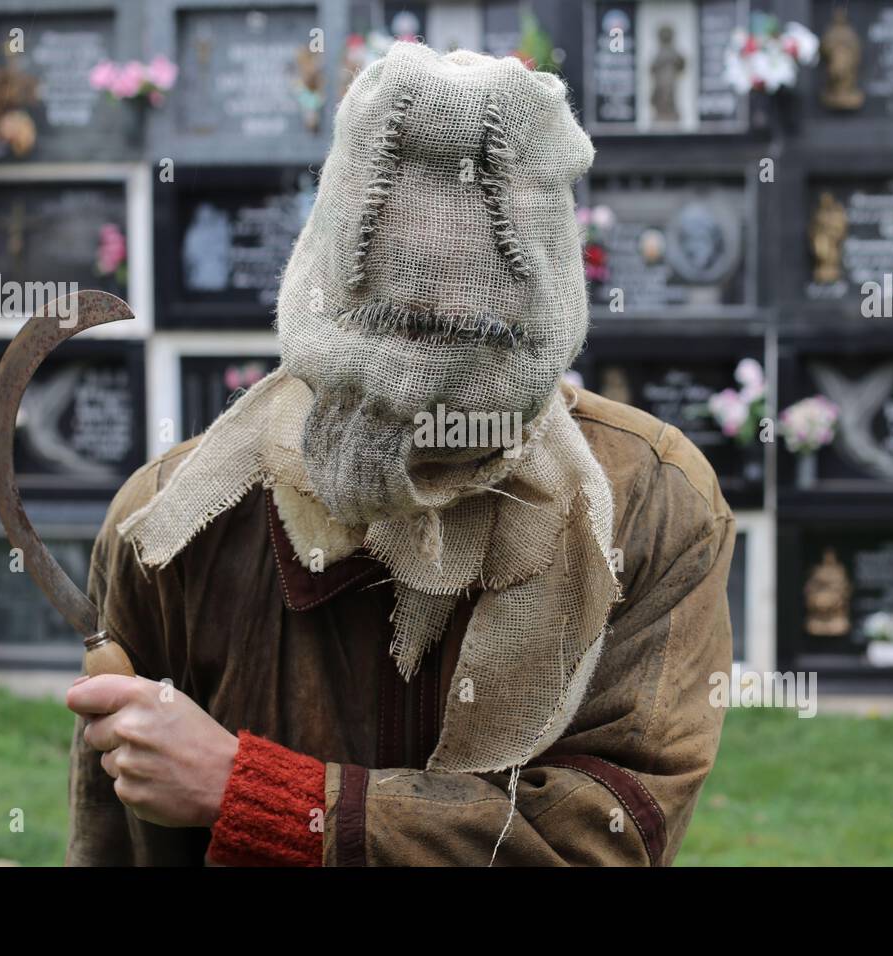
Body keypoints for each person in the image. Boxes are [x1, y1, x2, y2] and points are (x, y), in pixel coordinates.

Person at [65, 42, 734, 867]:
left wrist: (258, 793)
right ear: (341, 239)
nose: (440, 294)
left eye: (479, 252)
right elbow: (119, 842)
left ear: (541, 259)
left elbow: (603, 836)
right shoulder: (172, 519)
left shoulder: (649, 498)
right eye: (403, 244)